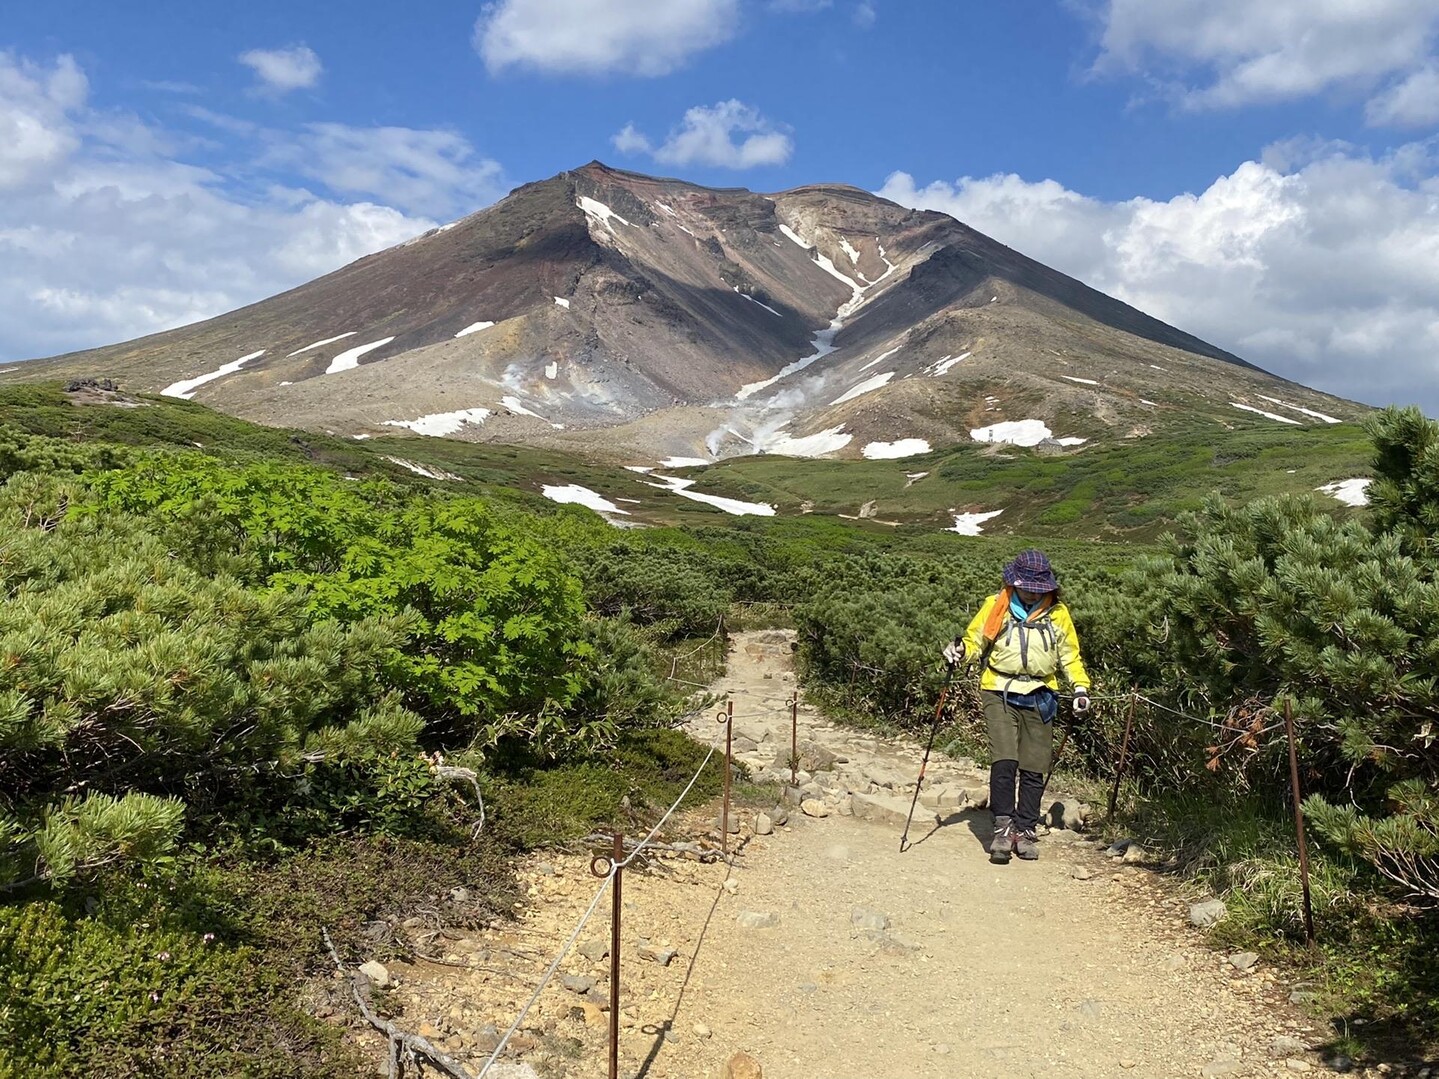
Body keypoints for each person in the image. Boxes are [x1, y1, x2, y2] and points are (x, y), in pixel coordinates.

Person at [943, 549, 1090, 863]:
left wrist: (1080, 687)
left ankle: (1026, 830)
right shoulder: (995, 606)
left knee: (1034, 766)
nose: (1031, 592)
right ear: (1014, 581)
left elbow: (1069, 655)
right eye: (1026, 586)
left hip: (1041, 693)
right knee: (1005, 759)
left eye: (1037, 587)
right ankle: (1002, 828)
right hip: (998, 690)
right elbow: (975, 642)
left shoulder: (1058, 613)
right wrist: (959, 650)